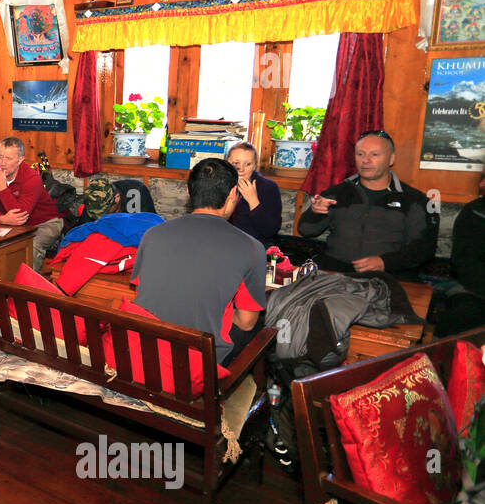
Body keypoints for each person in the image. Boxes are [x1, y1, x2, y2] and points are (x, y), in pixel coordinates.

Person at [133, 158, 267, 366]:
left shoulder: (152, 234)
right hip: (198, 362)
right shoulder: (252, 248)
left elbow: (145, 293)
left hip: (143, 352)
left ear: (189, 193)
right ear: (233, 194)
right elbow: (246, 322)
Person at [297, 130, 438, 280]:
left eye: (375, 154)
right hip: (335, 272)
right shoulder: (337, 193)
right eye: (360, 154)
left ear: (391, 159)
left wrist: (384, 262)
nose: (366, 160)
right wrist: (315, 211)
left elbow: (424, 249)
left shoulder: (415, 200)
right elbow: (306, 230)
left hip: (388, 276)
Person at [0, 136, 62, 271]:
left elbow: (20, 215)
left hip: (45, 223)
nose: (3, 163)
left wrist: (2, 188)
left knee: (31, 247)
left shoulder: (32, 178)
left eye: (9, 158)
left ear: (20, 160)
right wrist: (1, 218)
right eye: (0, 157)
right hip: (9, 220)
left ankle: (27, 288)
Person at [437, 172, 485, 337]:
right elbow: (465, 263)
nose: (481, 184)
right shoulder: (474, 212)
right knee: (460, 319)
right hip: (474, 291)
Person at [225, 142, 281, 247]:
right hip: (223, 244)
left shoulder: (268, 188)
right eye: (235, 163)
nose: (241, 169)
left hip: (254, 247)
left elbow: (270, 231)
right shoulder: (218, 183)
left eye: (247, 164)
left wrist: (253, 201)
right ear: (227, 163)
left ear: (255, 165)